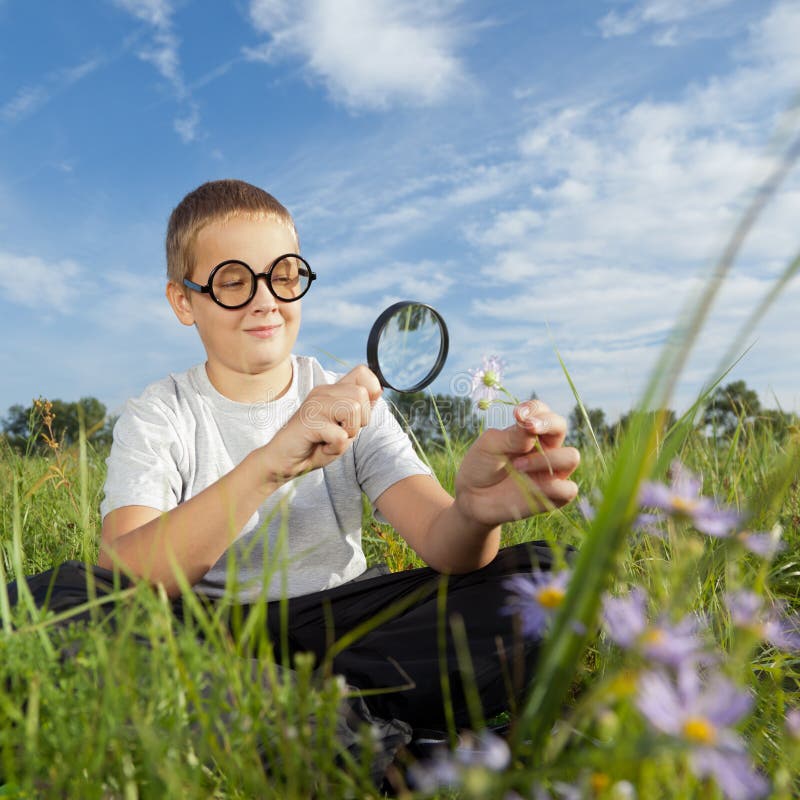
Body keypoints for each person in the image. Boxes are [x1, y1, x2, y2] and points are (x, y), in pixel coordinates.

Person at [12, 179, 580, 744]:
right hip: (211, 633)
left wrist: (478, 513)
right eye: (233, 281)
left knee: (559, 577)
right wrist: (267, 467)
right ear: (183, 301)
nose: (265, 300)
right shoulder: (161, 412)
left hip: (349, 627)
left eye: (283, 276)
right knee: (34, 605)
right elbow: (125, 570)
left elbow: (444, 543)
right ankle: (368, 735)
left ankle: (310, 725)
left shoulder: (349, 399)